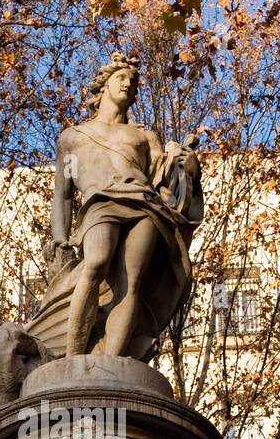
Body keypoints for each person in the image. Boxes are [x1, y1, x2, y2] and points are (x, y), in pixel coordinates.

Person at [43, 51, 203, 359]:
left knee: (132, 282)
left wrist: (188, 167)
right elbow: (63, 196)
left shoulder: (143, 136)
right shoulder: (72, 137)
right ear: (104, 85)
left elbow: (167, 180)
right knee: (96, 261)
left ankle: (112, 362)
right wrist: (60, 238)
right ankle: (73, 360)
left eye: (133, 82)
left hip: (144, 206)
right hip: (98, 204)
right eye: (121, 78)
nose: (128, 85)